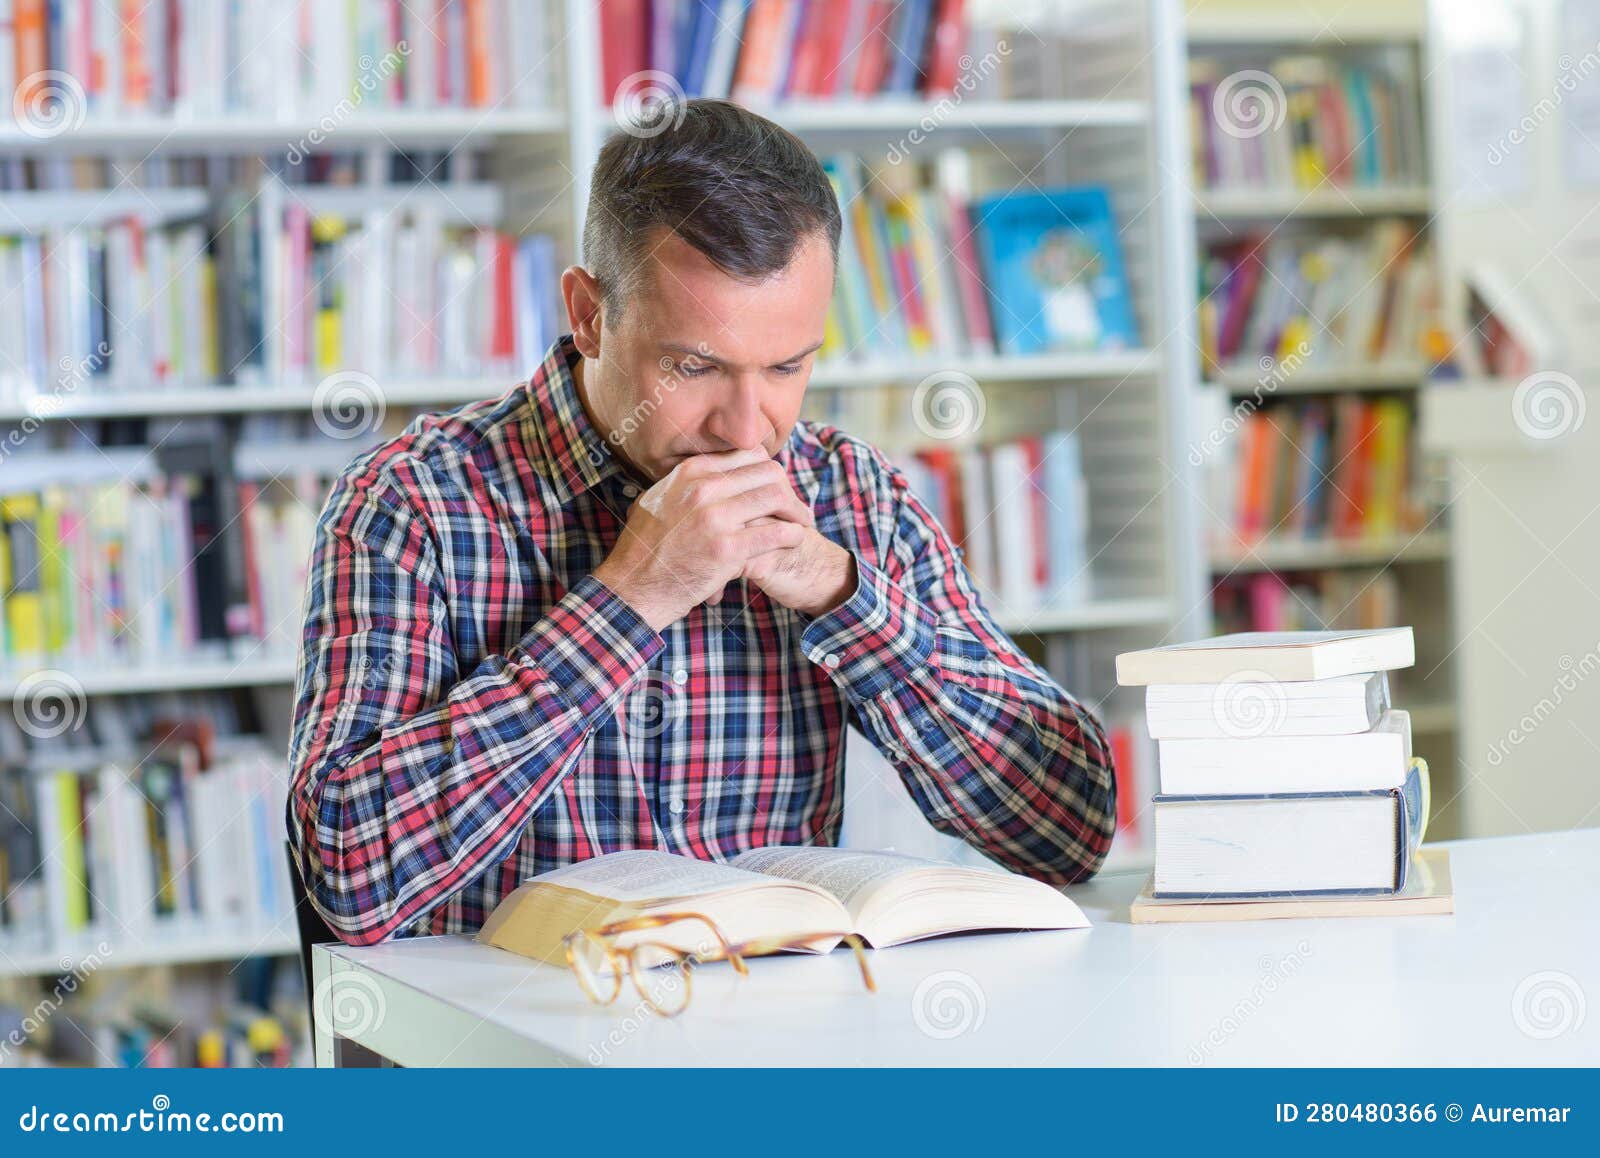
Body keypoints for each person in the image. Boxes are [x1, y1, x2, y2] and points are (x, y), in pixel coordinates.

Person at [287, 98, 1117, 946]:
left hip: (774, 1021)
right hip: (511, 1025)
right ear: (589, 315)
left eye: (787, 367)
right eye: (693, 367)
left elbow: (1069, 832)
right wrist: (630, 599)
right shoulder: (412, 502)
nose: (747, 430)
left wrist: (845, 597)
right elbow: (347, 878)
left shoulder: (851, 494)